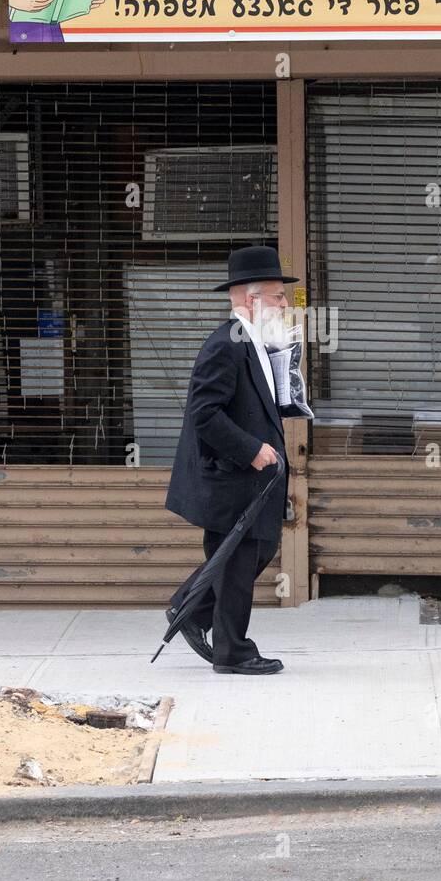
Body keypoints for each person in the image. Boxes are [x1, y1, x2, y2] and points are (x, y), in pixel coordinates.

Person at [165, 247, 297, 675]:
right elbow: (204, 415)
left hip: (253, 480)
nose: (284, 305)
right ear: (250, 298)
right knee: (238, 563)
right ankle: (233, 652)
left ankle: (191, 608)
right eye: (278, 297)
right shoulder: (225, 344)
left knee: (257, 550)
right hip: (231, 477)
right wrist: (251, 449)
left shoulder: (255, 342)